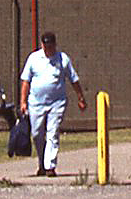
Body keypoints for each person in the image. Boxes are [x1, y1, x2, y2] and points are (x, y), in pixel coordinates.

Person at [19, 31, 87, 177]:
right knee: (37, 134)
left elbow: (73, 80)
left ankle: (50, 166)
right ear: (42, 45)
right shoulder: (34, 58)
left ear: (55, 45)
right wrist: (23, 101)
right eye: (45, 46)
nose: (48, 49)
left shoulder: (63, 59)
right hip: (36, 103)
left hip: (57, 103)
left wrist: (80, 98)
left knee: (52, 133)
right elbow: (26, 81)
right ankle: (42, 163)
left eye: (50, 46)